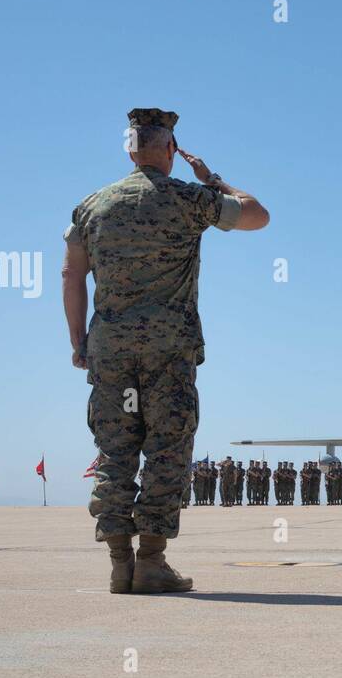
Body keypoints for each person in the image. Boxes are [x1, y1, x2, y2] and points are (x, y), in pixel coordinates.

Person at [62, 107, 269, 593]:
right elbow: (258, 215)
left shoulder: (92, 206)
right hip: (168, 351)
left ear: (129, 151)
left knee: (114, 451)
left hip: (111, 351)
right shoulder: (189, 198)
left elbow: (72, 274)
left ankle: (120, 564)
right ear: (171, 150)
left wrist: (78, 341)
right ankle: (151, 562)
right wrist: (212, 178)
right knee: (166, 450)